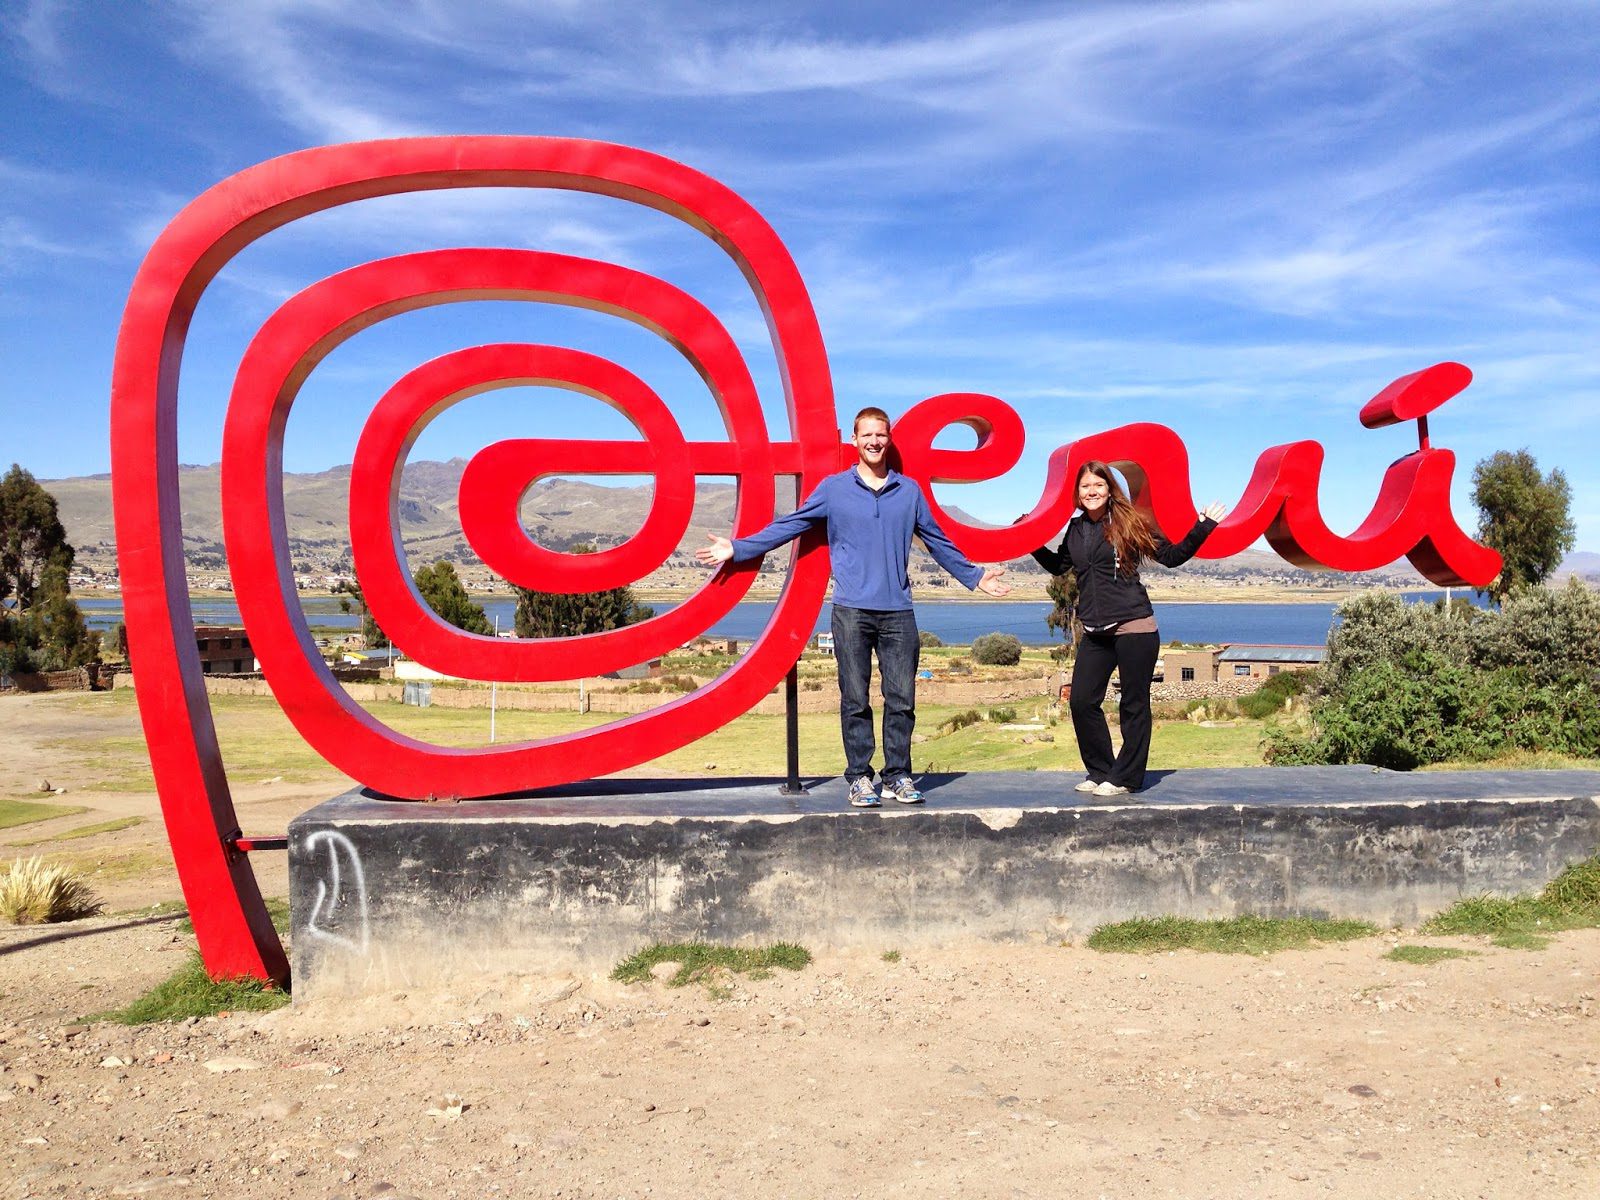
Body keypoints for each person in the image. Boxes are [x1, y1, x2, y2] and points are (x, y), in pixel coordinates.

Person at [697, 407, 1011, 808]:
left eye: (881, 435)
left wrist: (974, 576)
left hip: (898, 612)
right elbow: (790, 525)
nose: (874, 442)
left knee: (902, 700)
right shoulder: (833, 489)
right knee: (855, 699)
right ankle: (860, 778)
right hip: (851, 612)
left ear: (889, 438)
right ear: (855, 441)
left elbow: (938, 542)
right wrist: (737, 548)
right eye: (867, 436)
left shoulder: (909, 492)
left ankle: (898, 775)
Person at [1029, 462, 1226, 798]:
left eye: (1098, 485)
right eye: (1084, 486)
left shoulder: (1128, 522)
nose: (1091, 491)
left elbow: (1171, 556)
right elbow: (1060, 565)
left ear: (1109, 489)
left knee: (1133, 705)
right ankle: (1102, 770)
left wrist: (1203, 526)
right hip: (1094, 628)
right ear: (1076, 494)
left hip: (1134, 626)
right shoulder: (1076, 528)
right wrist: (1030, 539)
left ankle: (1126, 778)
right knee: (1081, 702)